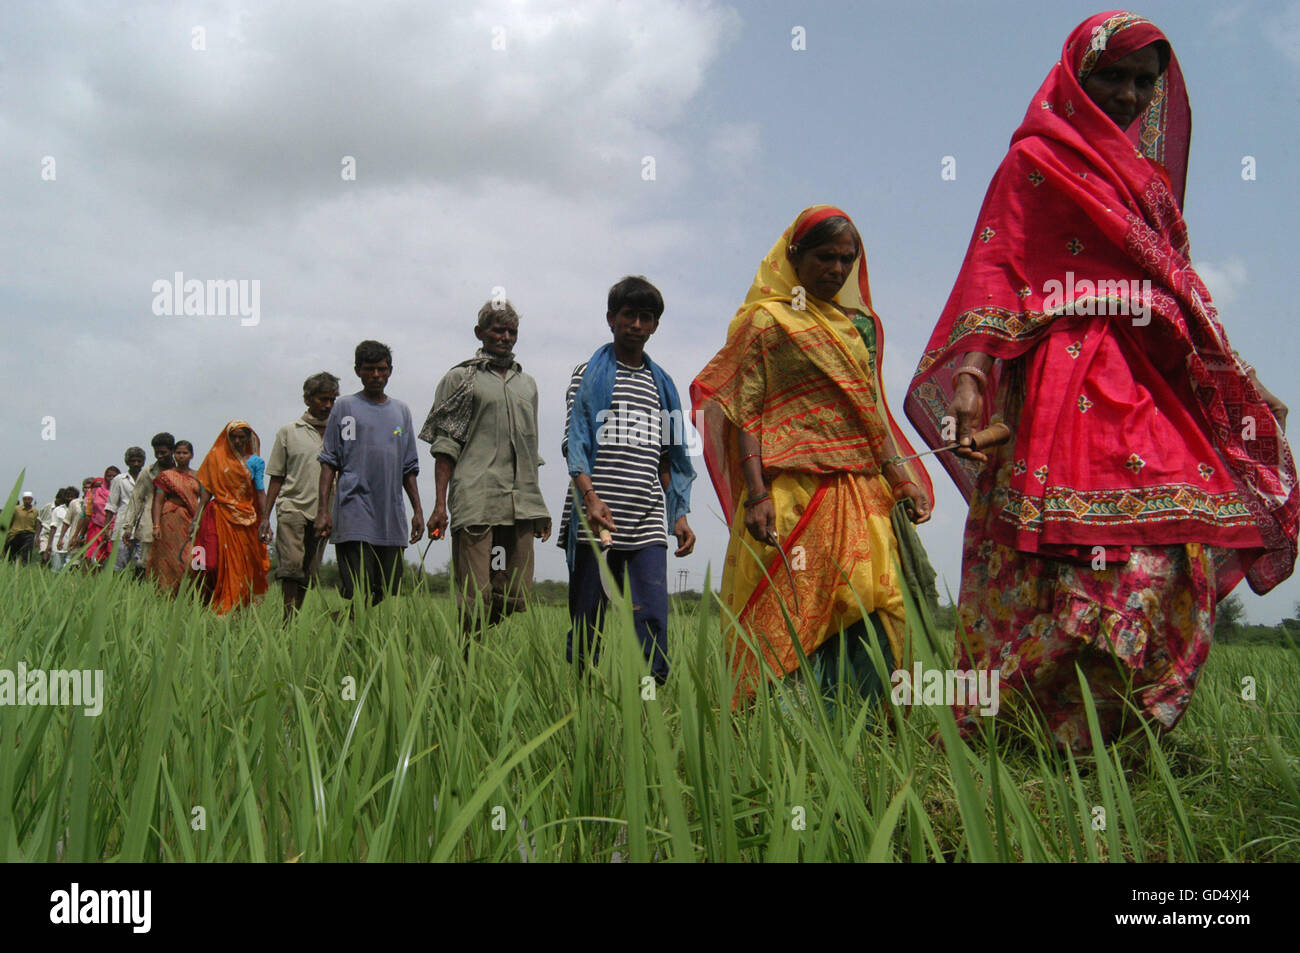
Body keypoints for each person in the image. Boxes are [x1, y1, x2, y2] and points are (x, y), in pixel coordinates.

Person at [904, 11, 1298, 751]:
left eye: (1143, 84)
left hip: (1146, 380)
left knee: (1169, 559)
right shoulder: (1034, 161)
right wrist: (971, 377)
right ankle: (1021, 736)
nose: (1126, 94)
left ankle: (1112, 738)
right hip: (1055, 378)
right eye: (1110, 76)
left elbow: (1178, 288)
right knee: (1057, 570)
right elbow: (997, 269)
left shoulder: (1147, 185)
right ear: (1076, 77)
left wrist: (1236, 373)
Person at [693, 207, 936, 706]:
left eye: (848, 260)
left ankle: (869, 722)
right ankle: (783, 728)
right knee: (795, 605)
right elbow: (747, 412)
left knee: (870, 598)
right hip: (790, 494)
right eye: (826, 257)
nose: (838, 270)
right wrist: (756, 493)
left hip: (859, 492)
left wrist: (903, 479)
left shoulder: (854, 330)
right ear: (795, 257)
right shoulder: (767, 321)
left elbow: (872, 418)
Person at [560, 276, 696, 684]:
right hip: (595, 518)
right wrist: (590, 497)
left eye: (646, 317)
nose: (637, 324)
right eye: (629, 315)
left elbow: (669, 458)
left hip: (647, 517)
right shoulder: (588, 374)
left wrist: (680, 515)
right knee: (588, 618)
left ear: (654, 325)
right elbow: (574, 442)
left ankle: (649, 707)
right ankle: (581, 701)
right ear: (611, 319)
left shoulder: (663, 385)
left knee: (652, 616)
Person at [421, 300, 552, 637]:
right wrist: (439, 504)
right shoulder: (461, 379)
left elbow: (530, 447)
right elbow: (446, 446)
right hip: (476, 498)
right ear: (480, 333)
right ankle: (468, 663)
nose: (505, 337)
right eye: (497, 330)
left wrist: (539, 507)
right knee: (475, 594)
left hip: (520, 502)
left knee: (514, 593)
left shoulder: (528, 385)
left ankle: (471, 642)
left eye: (511, 331)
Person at [317, 341, 422, 606]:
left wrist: (418, 510)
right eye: (370, 369)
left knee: (384, 594)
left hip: (391, 514)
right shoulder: (345, 407)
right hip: (355, 510)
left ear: (390, 370)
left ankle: (349, 633)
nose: (376, 375)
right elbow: (329, 461)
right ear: (358, 371)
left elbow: (408, 466)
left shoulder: (401, 412)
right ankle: (347, 641)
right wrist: (323, 510)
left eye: (382, 369)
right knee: (358, 590)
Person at [261, 372, 339, 619]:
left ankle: (296, 618)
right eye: (322, 399)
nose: (328, 405)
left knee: (308, 569)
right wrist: (266, 517)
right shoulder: (289, 432)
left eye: (332, 400)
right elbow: (276, 476)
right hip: (292, 507)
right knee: (291, 565)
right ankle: (287, 620)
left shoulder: (340, 433)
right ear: (308, 399)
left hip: (324, 512)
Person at [194, 422, 270, 614]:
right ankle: (207, 600)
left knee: (243, 565)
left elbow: (260, 491)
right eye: (233, 437)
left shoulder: (255, 462)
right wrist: (196, 518)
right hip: (217, 516)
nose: (237, 441)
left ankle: (233, 607)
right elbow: (207, 491)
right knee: (210, 563)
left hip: (245, 520)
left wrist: (266, 519)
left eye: (241, 437)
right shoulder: (216, 459)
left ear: (247, 439)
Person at [148, 440, 201, 595]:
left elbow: (204, 499)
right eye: (178, 453)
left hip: (193, 520)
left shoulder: (199, 476)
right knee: (168, 559)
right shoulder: (166, 476)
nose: (181, 456)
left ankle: (192, 595)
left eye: (185, 453)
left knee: (193, 560)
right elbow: (158, 501)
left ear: (191, 455)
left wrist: (199, 520)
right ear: (174, 454)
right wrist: (156, 525)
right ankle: (166, 595)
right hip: (170, 519)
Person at [122, 433, 177, 572]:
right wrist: (128, 527)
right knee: (146, 562)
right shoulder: (148, 472)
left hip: (175, 522)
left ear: (171, 451)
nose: (159, 456)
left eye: (163, 452)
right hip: (150, 523)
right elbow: (136, 500)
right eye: (156, 452)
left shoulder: (181, 472)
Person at [106, 447, 147, 572]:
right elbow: (111, 505)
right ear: (127, 462)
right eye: (133, 461)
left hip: (143, 525)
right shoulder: (119, 480)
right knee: (119, 563)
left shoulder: (149, 478)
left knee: (141, 563)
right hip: (123, 525)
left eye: (139, 461)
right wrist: (107, 527)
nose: (136, 464)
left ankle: (137, 589)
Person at [82, 468, 120, 567]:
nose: (111, 478)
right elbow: (88, 513)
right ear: (105, 477)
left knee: (109, 559)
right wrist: (80, 535)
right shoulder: (96, 492)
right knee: (91, 556)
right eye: (109, 476)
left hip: (115, 529)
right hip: (96, 528)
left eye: (114, 476)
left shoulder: (122, 492)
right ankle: (86, 579)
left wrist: (110, 529)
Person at [58, 479, 93, 569]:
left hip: (90, 537)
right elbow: (67, 522)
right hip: (75, 536)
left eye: (90, 488)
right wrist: (61, 538)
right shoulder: (75, 503)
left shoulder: (97, 502)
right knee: (74, 563)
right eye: (85, 487)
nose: (88, 490)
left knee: (88, 563)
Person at [4, 491, 41, 563]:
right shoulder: (16, 509)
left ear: (32, 500)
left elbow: (37, 524)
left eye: (29, 499)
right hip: (16, 533)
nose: (27, 501)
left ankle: (24, 568)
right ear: (23, 500)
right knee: (12, 555)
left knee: (26, 555)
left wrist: (37, 536)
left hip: (29, 534)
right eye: (25, 499)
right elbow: (10, 520)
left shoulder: (35, 511)